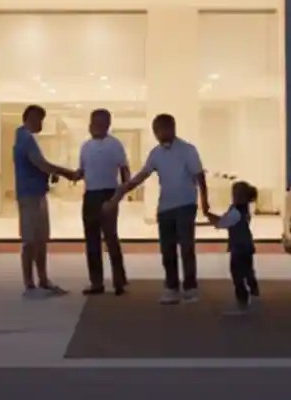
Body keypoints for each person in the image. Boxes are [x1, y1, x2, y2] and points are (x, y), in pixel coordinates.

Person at [107, 113, 209, 305]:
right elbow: (142, 176)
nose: (159, 134)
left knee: (186, 247)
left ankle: (190, 287)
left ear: (172, 128)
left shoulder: (187, 150)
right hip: (165, 207)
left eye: (162, 129)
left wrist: (205, 202)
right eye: (156, 130)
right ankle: (171, 287)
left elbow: (199, 176)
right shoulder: (156, 153)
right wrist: (121, 191)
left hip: (186, 204)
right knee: (167, 249)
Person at [14, 104, 79, 297]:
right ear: (29, 119)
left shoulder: (26, 138)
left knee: (41, 239)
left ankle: (43, 280)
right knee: (30, 240)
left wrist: (52, 174)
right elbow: (41, 163)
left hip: (38, 194)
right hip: (30, 196)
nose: (41, 124)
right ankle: (29, 284)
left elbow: (39, 166)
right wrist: (67, 173)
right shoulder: (25, 138)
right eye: (38, 119)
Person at [77, 108, 130, 296]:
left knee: (111, 238)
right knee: (91, 240)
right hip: (90, 195)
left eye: (98, 123)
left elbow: (125, 171)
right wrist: (69, 174)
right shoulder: (85, 146)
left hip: (109, 194)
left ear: (107, 125)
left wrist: (121, 194)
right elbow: (82, 171)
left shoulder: (115, 145)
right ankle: (96, 282)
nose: (93, 126)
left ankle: (119, 281)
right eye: (92, 122)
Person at [204, 181, 260, 315]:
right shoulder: (243, 210)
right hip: (246, 245)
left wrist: (208, 215)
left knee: (237, 274)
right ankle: (254, 291)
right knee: (247, 270)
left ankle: (242, 300)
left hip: (238, 247)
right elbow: (224, 220)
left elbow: (222, 223)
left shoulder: (236, 211)